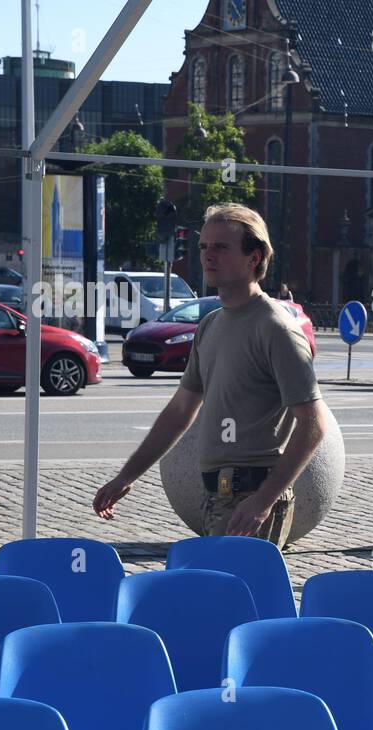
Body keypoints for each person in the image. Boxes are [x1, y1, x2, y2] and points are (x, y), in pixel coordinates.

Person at [93, 203, 328, 547]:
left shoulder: (276, 327)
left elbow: (313, 424)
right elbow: (179, 411)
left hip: (252, 496)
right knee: (220, 599)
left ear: (254, 257)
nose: (207, 256)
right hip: (216, 494)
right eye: (203, 246)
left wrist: (263, 500)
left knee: (239, 600)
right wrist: (125, 477)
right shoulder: (210, 325)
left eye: (221, 247)